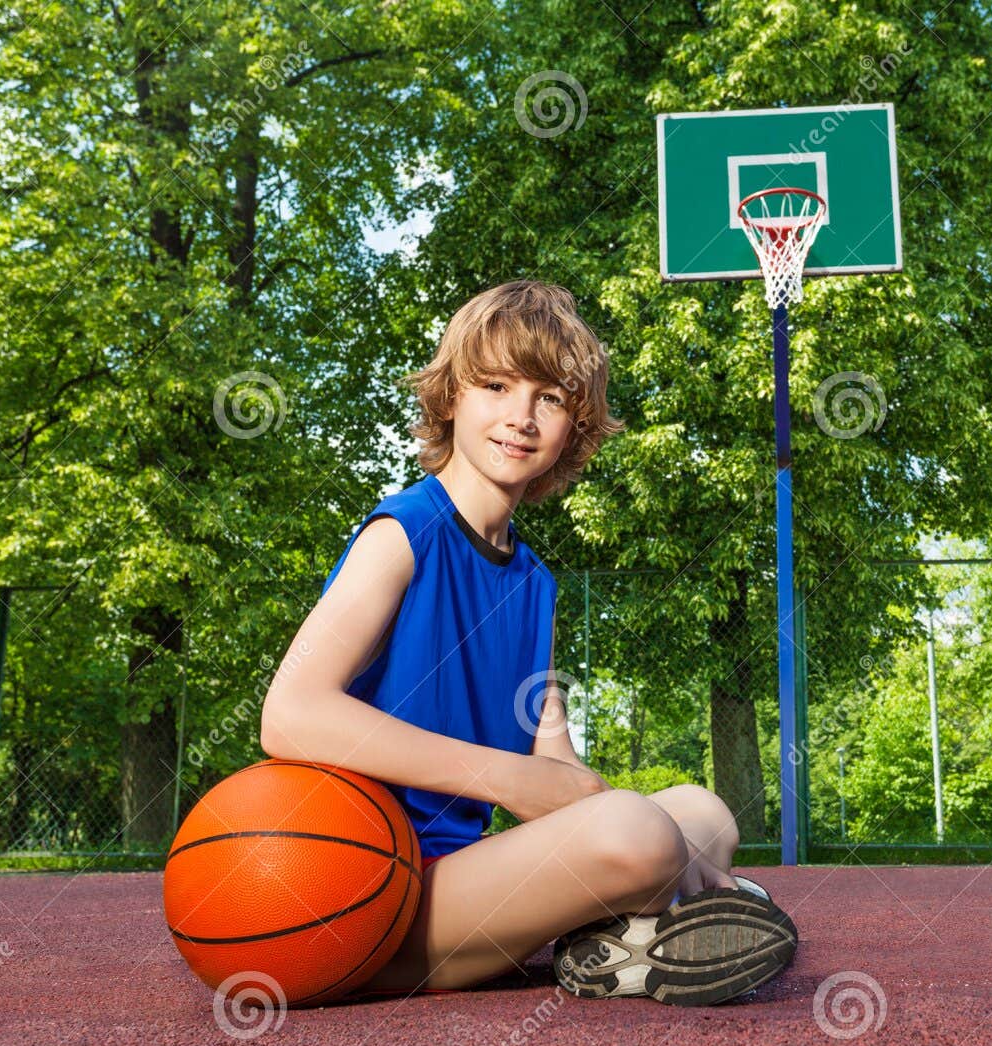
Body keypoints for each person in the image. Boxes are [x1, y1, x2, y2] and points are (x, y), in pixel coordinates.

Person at [259, 279, 797, 1006]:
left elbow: (550, 759)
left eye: (549, 397)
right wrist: (518, 786)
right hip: (369, 885)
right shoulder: (403, 534)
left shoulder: (533, 582)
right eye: (497, 385)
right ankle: (634, 926)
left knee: (702, 811)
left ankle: (623, 936)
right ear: (450, 397)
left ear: (574, 425)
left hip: (466, 880)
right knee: (640, 834)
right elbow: (289, 713)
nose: (521, 415)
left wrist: (662, 836)